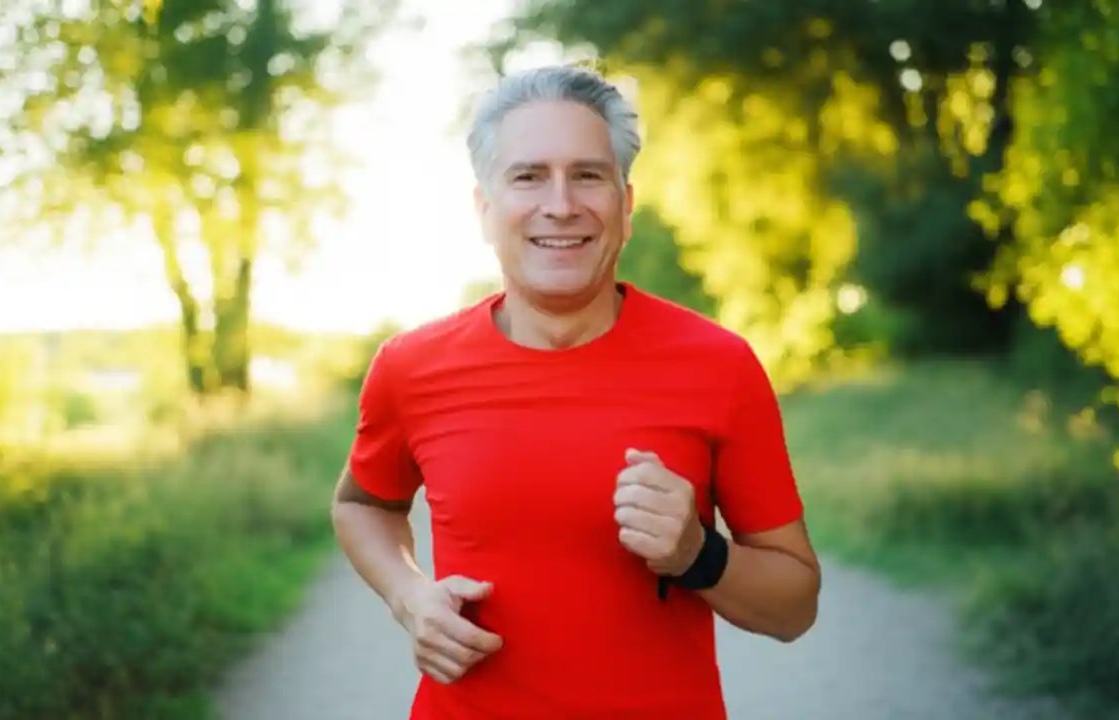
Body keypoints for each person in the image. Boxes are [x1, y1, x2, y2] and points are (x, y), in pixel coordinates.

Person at [330, 63, 822, 720]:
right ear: (485, 208)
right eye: (528, 176)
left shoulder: (719, 366)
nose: (560, 204)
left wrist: (697, 553)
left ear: (626, 205)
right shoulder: (410, 367)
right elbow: (363, 505)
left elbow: (794, 607)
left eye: (588, 175)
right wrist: (409, 597)